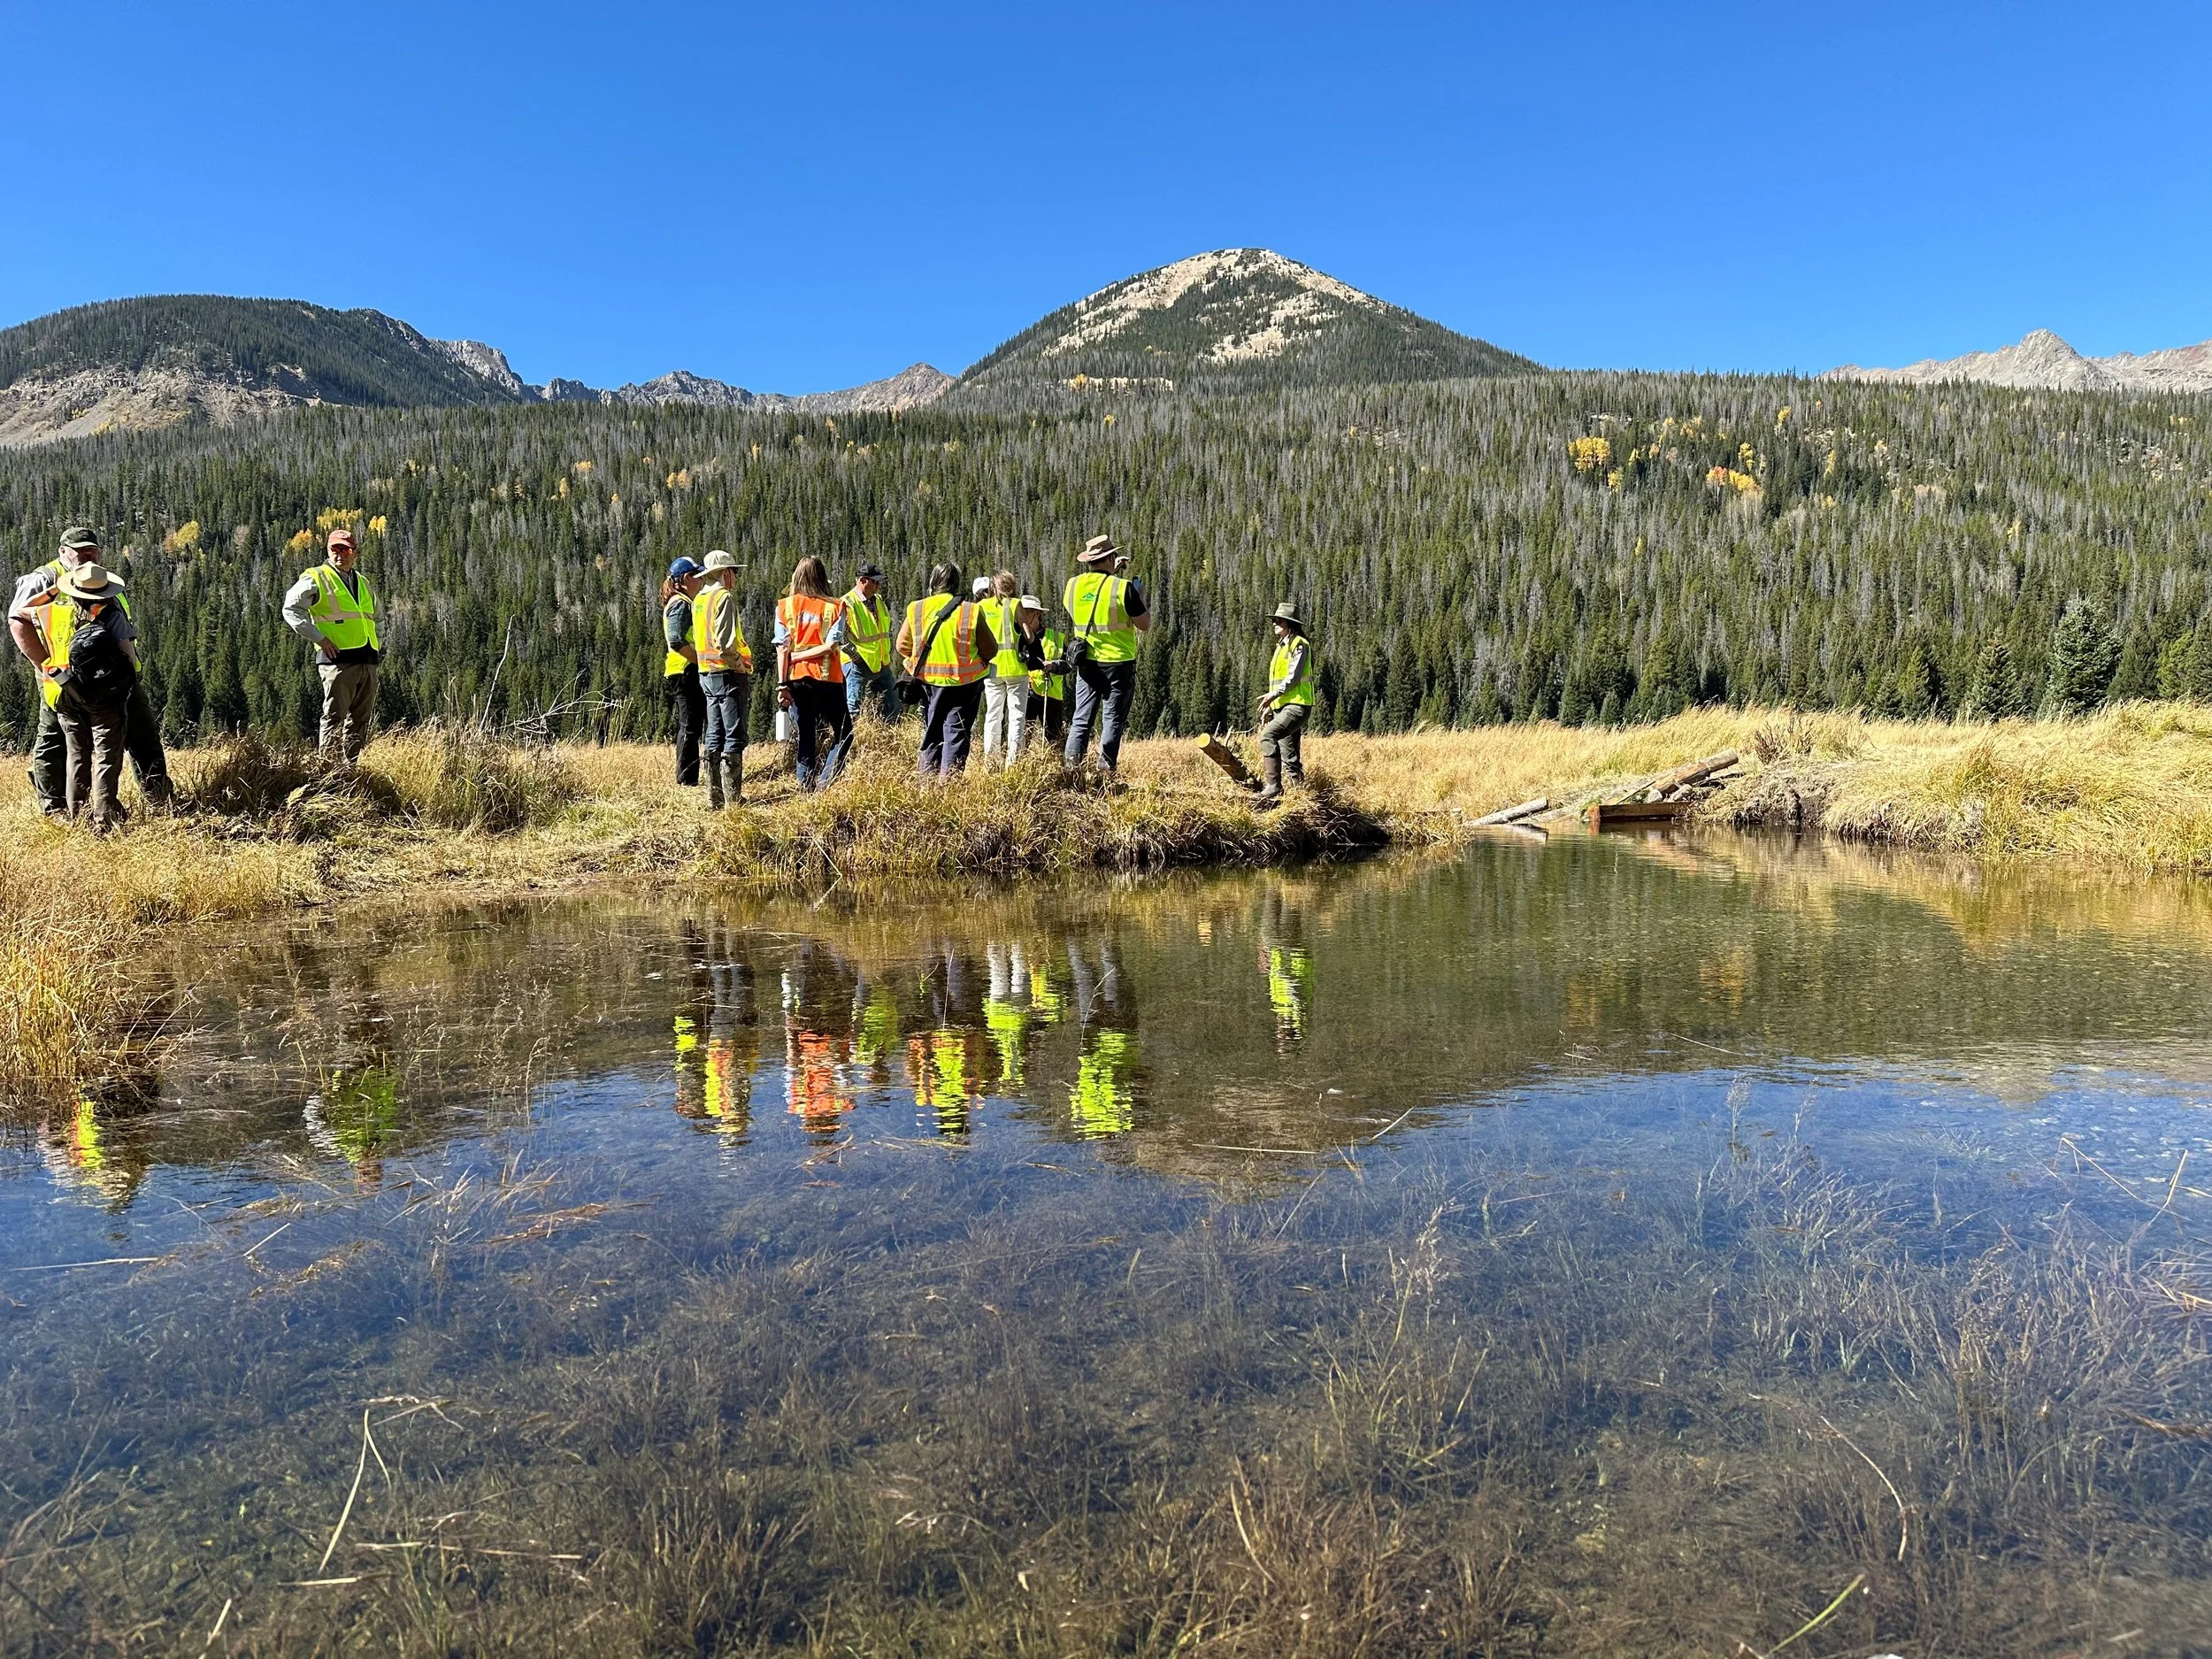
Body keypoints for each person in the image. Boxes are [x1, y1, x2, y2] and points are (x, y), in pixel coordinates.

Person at [9, 525, 173, 819]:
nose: (87, 556)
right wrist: (44, 664)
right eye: (80, 552)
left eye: (92, 551)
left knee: (138, 735)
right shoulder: (45, 578)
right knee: (56, 740)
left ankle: (156, 797)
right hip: (65, 679)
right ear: (63, 551)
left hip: (106, 678)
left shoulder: (97, 579)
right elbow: (17, 621)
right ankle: (61, 808)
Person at [34, 561, 140, 832]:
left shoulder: (53, 611)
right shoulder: (110, 613)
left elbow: (21, 613)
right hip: (104, 697)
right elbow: (128, 656)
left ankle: (78, 817)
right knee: (106, 755)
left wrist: (53, 591)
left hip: (64, 691)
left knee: (77, 755)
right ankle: (104, 818)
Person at [282, 526, 382, 760]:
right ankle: (328, 770)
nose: (340, 554)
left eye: (345, 550)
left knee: (360, 720)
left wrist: (377, 645)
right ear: (328, 550)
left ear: (355, 552)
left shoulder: (363, 582)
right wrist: (320, 639)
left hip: (367, 660)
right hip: (337, 661)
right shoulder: (316, 577)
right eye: (334, 549)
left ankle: (349, 769)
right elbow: (291, 609)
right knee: (335, 718)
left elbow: (378, 618)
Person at [895, 562, 995, 778]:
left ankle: (927, 785)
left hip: (928, 683)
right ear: (956, 584)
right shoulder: (971, 610)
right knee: (956, 735)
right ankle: (949, 786)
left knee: (931, 733)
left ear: (933, 583)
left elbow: (902, 645)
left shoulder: (917, 608)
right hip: (964, 684)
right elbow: (990, 649)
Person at [1061, 533, 1149, 775]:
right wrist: (1139, 596)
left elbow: (1093, 598)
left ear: (1089, 561)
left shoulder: (1073, 585)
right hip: (1119, 663)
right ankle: (1105, 770)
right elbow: (1144, 624)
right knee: (1112, 720)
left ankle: (1071, 770)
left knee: (1081, 719)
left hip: (1087, 662)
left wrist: (1110, 574)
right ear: (1111, 558)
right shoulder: (1123, 588)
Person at [774, 556, 852, 791]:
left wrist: (783, 684)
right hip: (827, 679)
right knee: (844, 733)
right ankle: (825, 784)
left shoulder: (784, 607)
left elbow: (782, 649)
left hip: (797, 679)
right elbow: (832, 646)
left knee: (806, 735)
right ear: (822, 577)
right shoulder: (835, 606)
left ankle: (805, 787)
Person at [692, 549, 754, 808]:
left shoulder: (699, 599)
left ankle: (714, 798)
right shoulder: (723, 598)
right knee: (733, 735)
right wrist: (740, 665)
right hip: (727, 673)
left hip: (705, 673)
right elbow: (725, 643)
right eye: (734, 572)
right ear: (726, 573)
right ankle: (733, 800)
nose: (736, 577)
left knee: (714, 733)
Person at [1252, 602, 1316, 807]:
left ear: (1289, 623)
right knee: (1290, 757)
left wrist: (1272, 696)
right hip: (1284, 706)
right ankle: (1300, 802)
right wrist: (1272, 706)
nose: (1274, 624)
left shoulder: (1299, 644)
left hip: (1297, 705)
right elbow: (1279, 680)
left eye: (1278, 620)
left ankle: (1273, 787)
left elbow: (1294, 677)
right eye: (1274, 620)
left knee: (1267, 736)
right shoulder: (1281, 646)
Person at [659, 557, 706, 786]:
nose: (701, 580)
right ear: (686, 578)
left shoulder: (680, 601)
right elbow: (676, 640)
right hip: (685, 669)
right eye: (697, 576)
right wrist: (700, 660)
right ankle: (686, 780)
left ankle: (688, 778)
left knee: (692, 725)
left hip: (682, 669)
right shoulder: (681, 603)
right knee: (690, 726)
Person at [979, 571, 1027, 767]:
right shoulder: (1015, 605)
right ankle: (1013, 763)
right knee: (1016, 716)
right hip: (1015, 667)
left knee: (993, 715)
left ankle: (991, 761)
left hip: (991, 667)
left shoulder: (982, 606)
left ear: (994, 586)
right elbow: (1029, 635)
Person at [840, 562, 898, 723]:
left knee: (893, 704)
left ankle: (887, 735)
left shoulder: (878, 600)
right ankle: (851, 737)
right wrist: (856, 657)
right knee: (854, 709)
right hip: (857, 664)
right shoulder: (846, 602)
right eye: (875, 582)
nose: (878, 586)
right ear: (863, 580)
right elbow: (840, 638)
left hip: (880, 662)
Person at [1024, 598, 1069, 751]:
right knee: (1022, 736)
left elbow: (1068, 665)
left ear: (1037, 614)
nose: (1022, 616)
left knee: (1055, 740)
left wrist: (1053, 665)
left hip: (1052, 695)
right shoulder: (1018, 637)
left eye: (1027, 612)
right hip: (1026, 693)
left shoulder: (1057, 638)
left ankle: (1055, 763)